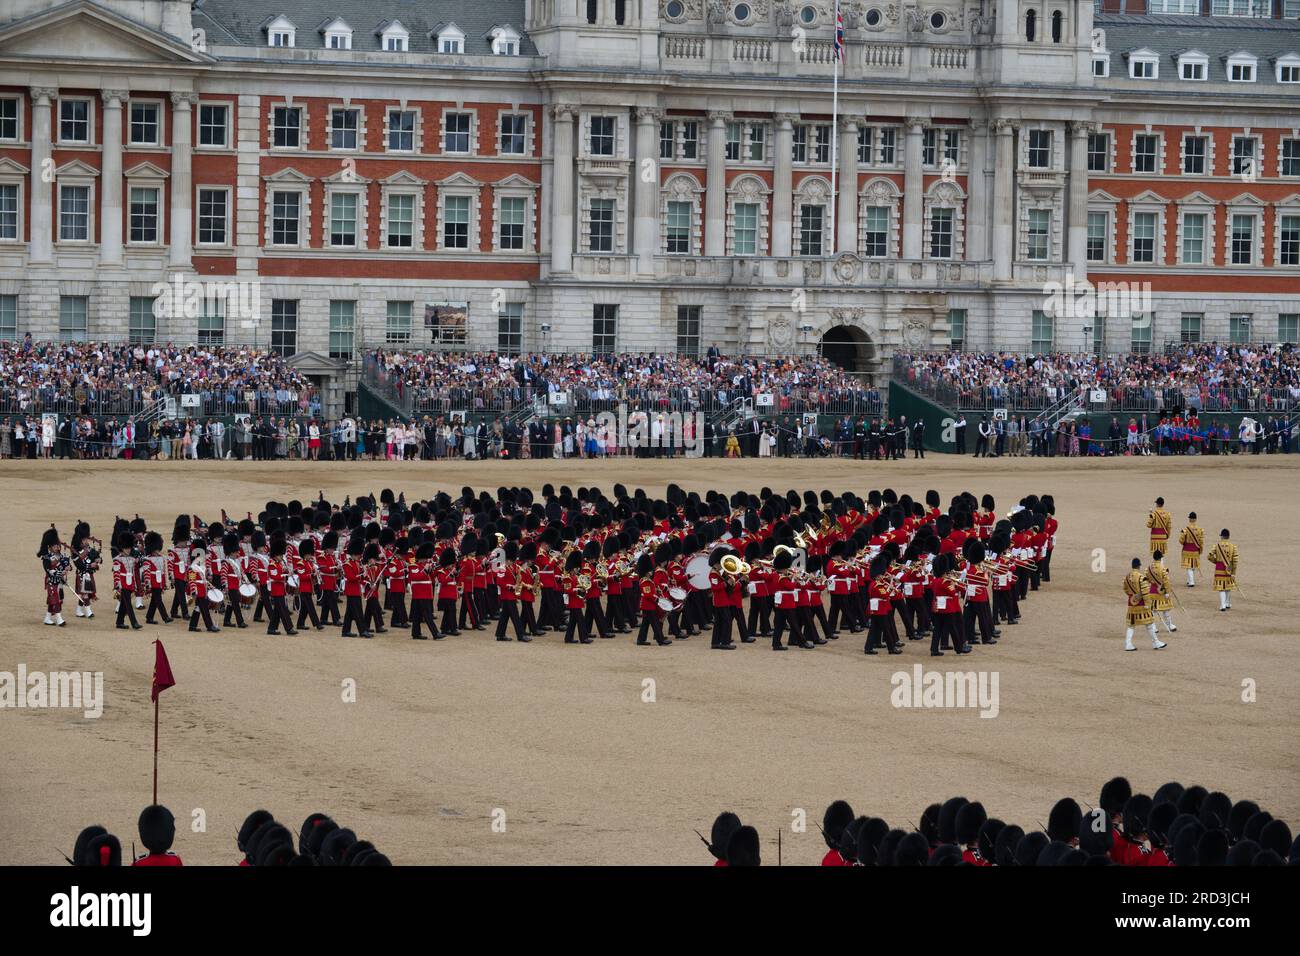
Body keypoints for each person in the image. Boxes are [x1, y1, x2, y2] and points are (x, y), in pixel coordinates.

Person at [1123, 558, 1165, 652]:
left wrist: (1133, 597)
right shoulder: (1141, 577)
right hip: (1142, 605)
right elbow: (1145, 592)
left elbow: (1125, 589)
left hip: (1131, 604)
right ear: (1139, 566)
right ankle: (1155, 642)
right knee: (1149, 623)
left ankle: (1128, 644)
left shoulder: (1127, 577)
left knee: (1131, 625)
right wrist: (1148, 604)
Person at [38, 526, 70, 627]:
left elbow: (66, 566)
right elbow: (50, 571)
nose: (58, 547)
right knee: (55, 599)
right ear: (50, 547)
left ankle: (47, 618)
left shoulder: (60, 556)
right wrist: (60, 572)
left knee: (56, 600)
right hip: (51, 581)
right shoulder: (46, 558)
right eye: (55, 546)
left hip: (59, 582)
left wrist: (68, 568)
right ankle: (59, 619)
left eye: (58, 546)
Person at [1146, 551, 1177, 635]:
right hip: (1162, 591)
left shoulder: (1149, 567)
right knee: (1166, 609)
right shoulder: (1162, 568)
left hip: (1152, 590)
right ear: (1160, 558)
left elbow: (1147, 578)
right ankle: (1169, 625)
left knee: (1152, 610)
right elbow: (1166, 581)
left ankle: (1153, 627)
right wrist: (1167, 591)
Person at [1210, 529, 1238, 612]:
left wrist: (1216, 562)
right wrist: (1233, 572)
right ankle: (1227, 603)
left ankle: (1222, 605)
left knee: (1221, 588)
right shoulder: (1233, 547)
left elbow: (1209, 556)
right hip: (1229, 568)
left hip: (1219, 568)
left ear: (1221, 536)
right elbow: (1235, 560)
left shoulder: (1216, 546)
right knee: (1228, 587)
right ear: (1228, 537)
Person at [1178, 512, 1204, 587]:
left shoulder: (1185, 529)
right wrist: (1200, 550)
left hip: (1187, 550)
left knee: (1188, 566)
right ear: (1195, 519)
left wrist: (1184, 544)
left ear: (1189, 519)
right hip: (1195, 550)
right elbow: (1201, 542)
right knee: (1192, 566)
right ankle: (1189, 580)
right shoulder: (1200, 530)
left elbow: (1181, 540)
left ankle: (1191, 581)